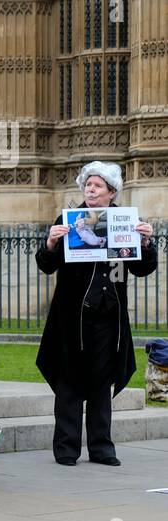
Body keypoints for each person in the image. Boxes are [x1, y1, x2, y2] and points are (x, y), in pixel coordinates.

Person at [36, 163, 157, 466]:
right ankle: (66, 448)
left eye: (97, 186)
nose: (90, 189)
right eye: (88, 185)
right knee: (69, 382)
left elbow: (142, 269)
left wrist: (146, 243)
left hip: (108, 317)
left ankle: (102, 448)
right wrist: (50, 243)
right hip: (72, 318)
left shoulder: (126, 222)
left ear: (112, 192)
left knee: (102, 383)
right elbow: (46, 265)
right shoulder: (68, 220)